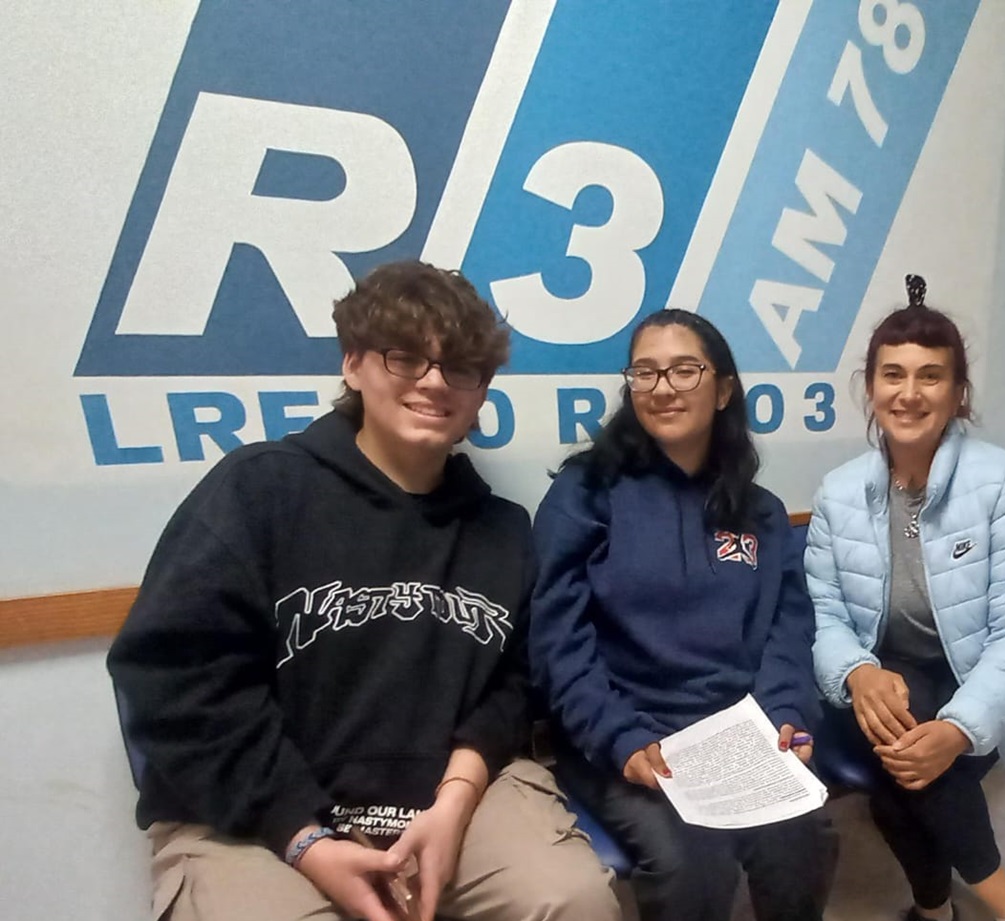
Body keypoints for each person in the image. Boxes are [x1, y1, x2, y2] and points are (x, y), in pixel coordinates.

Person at [107, 261, 620, 921]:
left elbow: (512, 685)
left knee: (571, 899)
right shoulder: (258, 490)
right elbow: (177, 687)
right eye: (406, 356)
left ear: (480, 392)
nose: (435, 381)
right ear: (353, 364)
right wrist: (305, 838)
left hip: (445, 794)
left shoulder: (502, 529)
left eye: (460, 366)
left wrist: (457, 798)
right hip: (259, 808)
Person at [529, 308, 838, 921]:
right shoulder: (586, 493)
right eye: (645, 373)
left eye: (684, 370)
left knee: (804, 837)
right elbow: (556, 640)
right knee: (692, 862)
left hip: (740, 735)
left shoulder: (761, 511)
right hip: (632, 737)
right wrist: (621, 737)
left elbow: (787, 628)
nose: (663, 387)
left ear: (723, 389)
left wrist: (783, 714)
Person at [806, 275, 1005, 921]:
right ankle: (991, 908)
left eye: (931, 375)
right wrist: (858, 670)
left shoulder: (1001, 482)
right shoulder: (839, 492)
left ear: (957, 392)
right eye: (893, 374)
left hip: (970, 682)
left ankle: (966, 908)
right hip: (876, 686)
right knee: (903, 739)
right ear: (871, 387)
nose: (910, 392)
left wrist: (959, 726)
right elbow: (828, 616)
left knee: (903, 781)